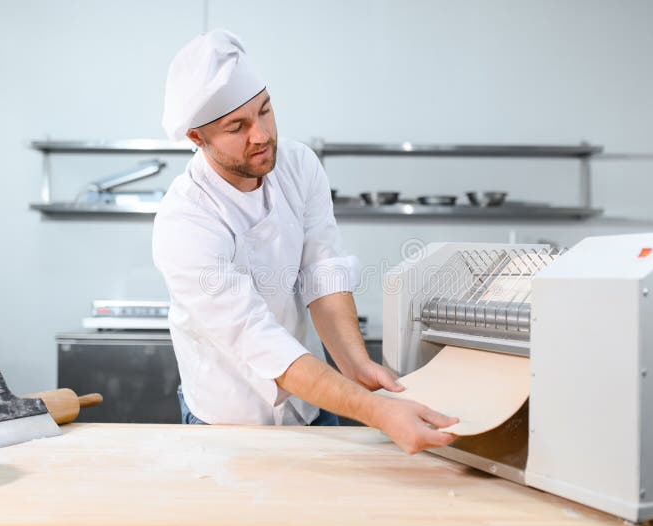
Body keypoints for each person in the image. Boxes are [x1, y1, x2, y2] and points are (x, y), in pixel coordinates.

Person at [152, 29, 457, 454]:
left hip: (313, 406)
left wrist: (355, 365)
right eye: (237, 127)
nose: (261, 135)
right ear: (197, 139)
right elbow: (257, 337)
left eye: (265, 111)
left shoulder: (298, 165)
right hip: (226, 422)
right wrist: (374, 410)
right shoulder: (185, 220)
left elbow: (323, 273)